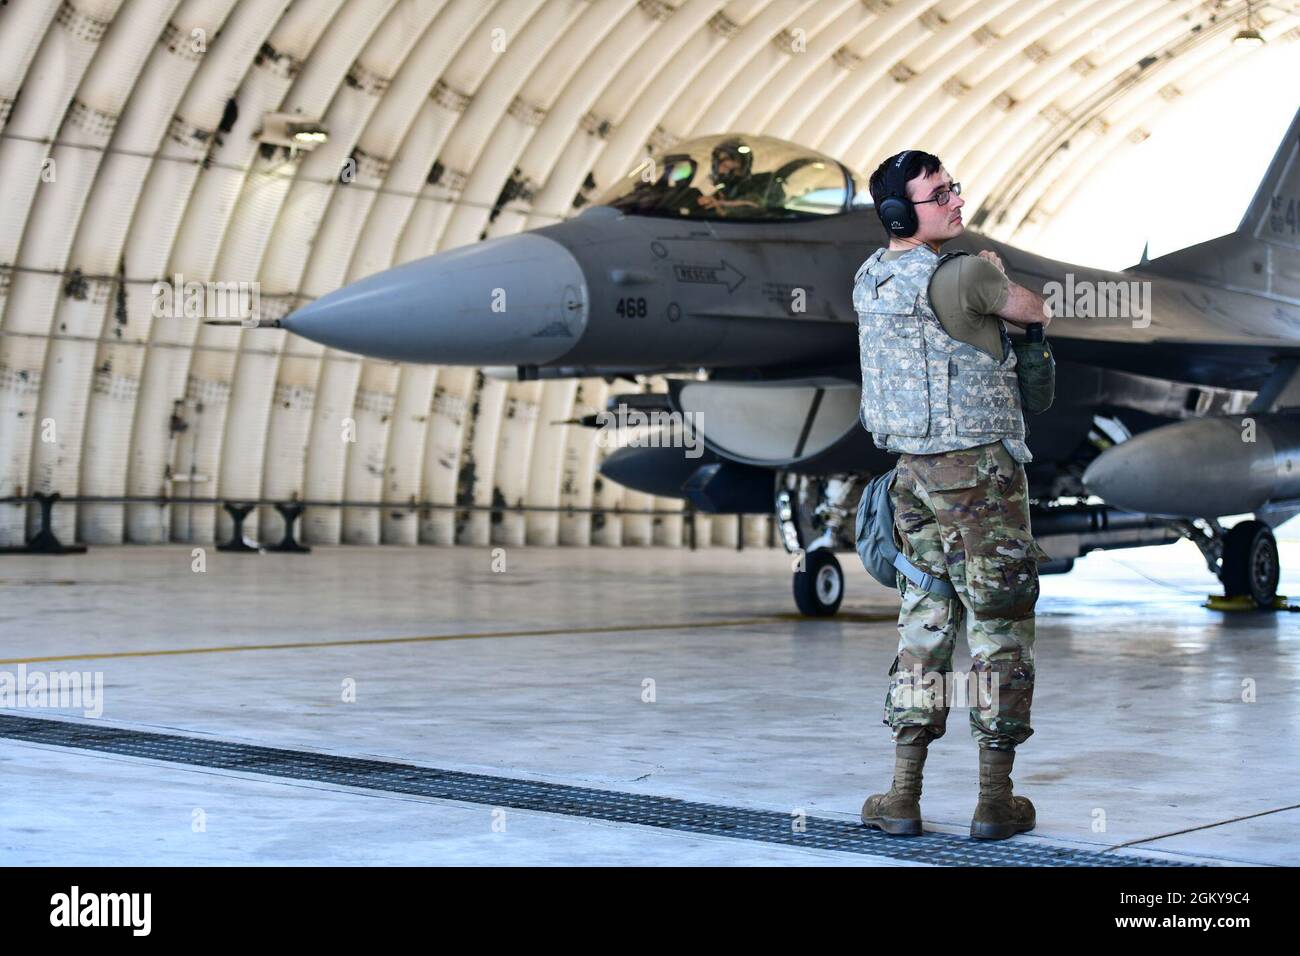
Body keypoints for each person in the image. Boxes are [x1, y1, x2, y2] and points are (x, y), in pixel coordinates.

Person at [854, 149, 1052, 841]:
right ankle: (995, 802)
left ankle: (902, 797)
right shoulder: (967, 272)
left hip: (913, 477)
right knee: (1000, 622)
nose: (956, 201)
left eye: (953, 189)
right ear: (899, 212)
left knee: (926, 621)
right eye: (939, 195)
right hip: (980, 479)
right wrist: (994, 274)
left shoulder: (871, 279)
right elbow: (1036, 310)